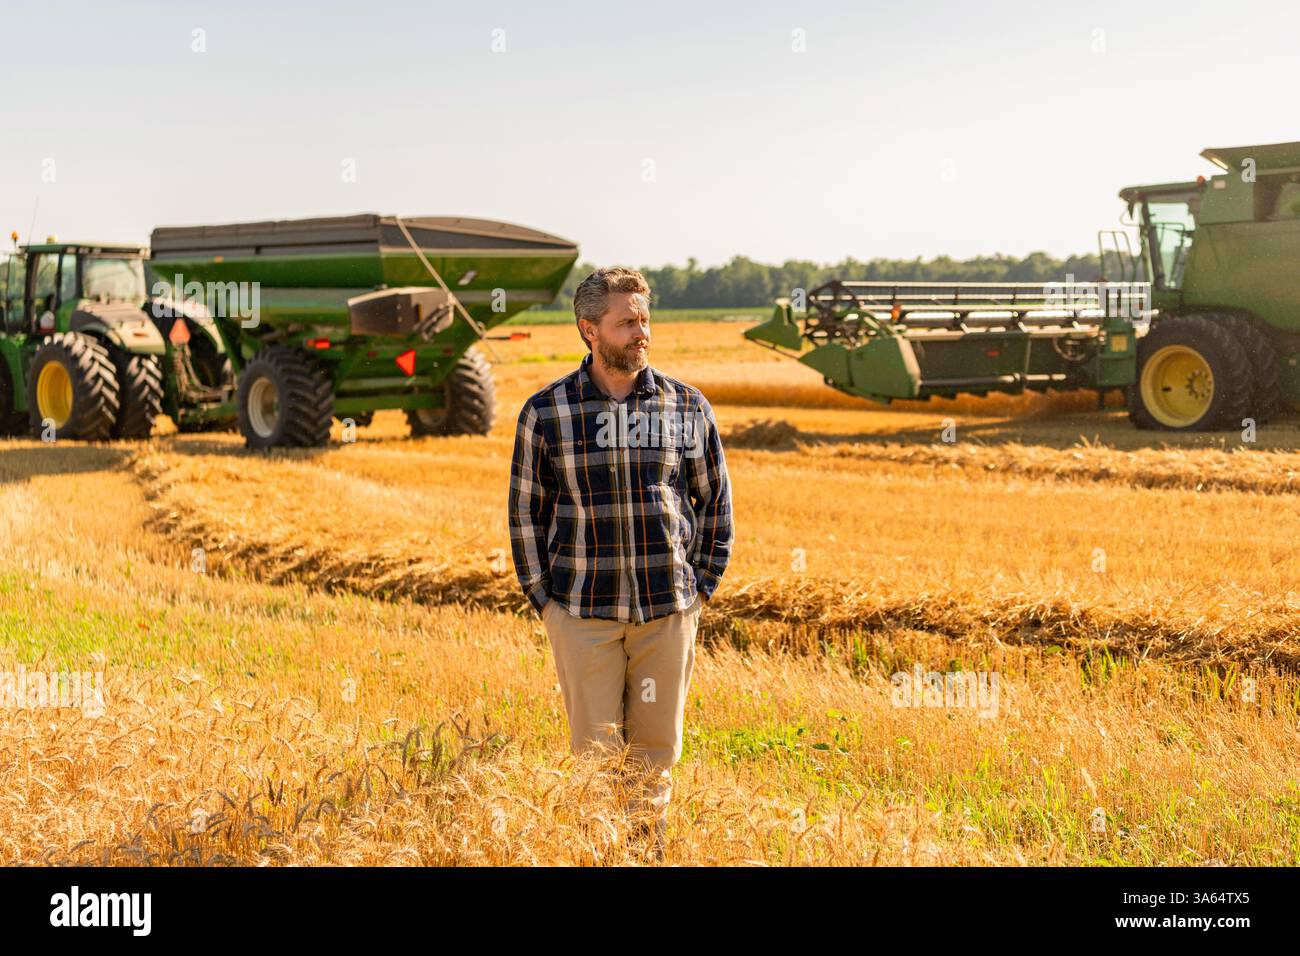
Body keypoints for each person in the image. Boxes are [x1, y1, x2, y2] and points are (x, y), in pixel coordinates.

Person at [508, 267, 733, 862]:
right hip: (583, 614)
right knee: (594, 756)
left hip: (668, 610)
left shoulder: (687, 407)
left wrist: (700, 588)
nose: (642, 332)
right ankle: (598, 854)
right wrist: (545, 602)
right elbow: (526, 514)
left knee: (656, 752)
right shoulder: (546, 413)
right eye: (627, 321)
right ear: (589, 329)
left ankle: (646, 854)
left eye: (645, 318)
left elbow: (715, 505)